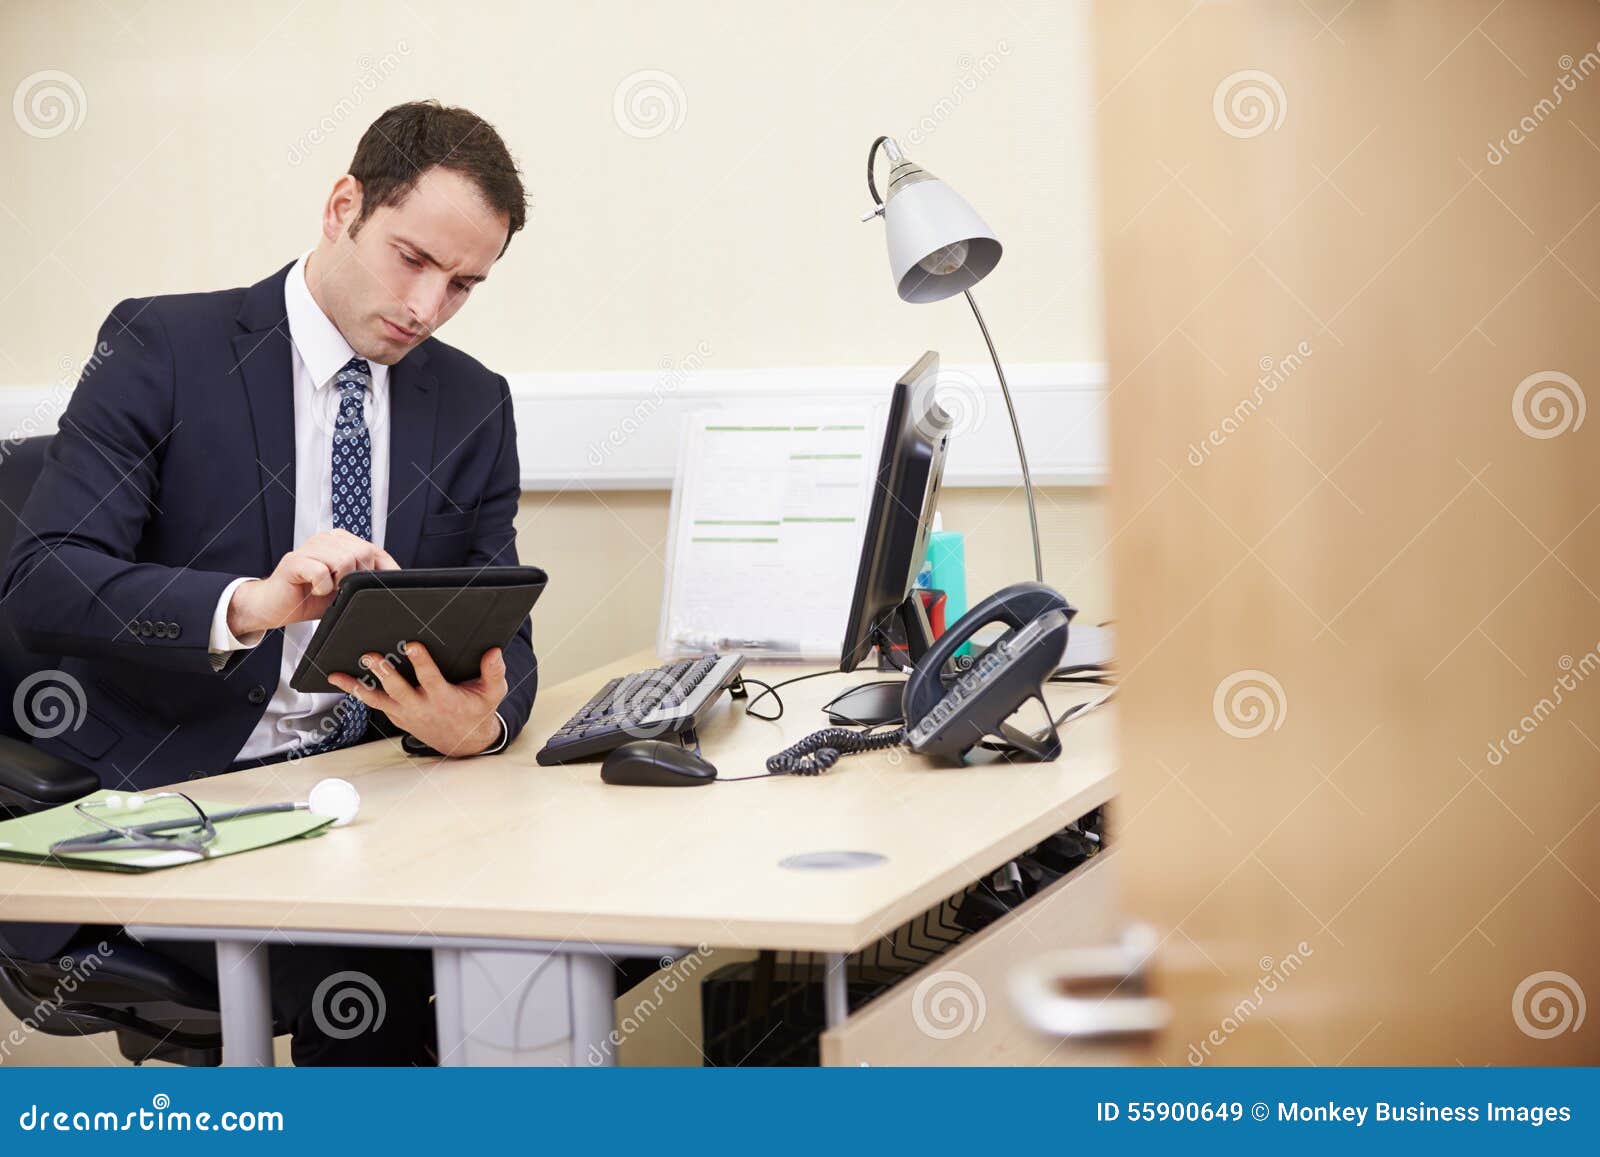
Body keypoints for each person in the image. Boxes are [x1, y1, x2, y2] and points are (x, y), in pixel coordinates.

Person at [0, 100, 536, 1065]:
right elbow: (42, 579)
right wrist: (245, 605)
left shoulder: (471, 402)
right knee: (415, 971)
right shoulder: (166, 347)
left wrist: (479, 724)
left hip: (370, 789)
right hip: (186, 786)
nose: (427, 307)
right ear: (343, 207)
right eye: (412, 259)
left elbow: (508, 635)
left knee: (558, 936)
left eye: (463, 284)